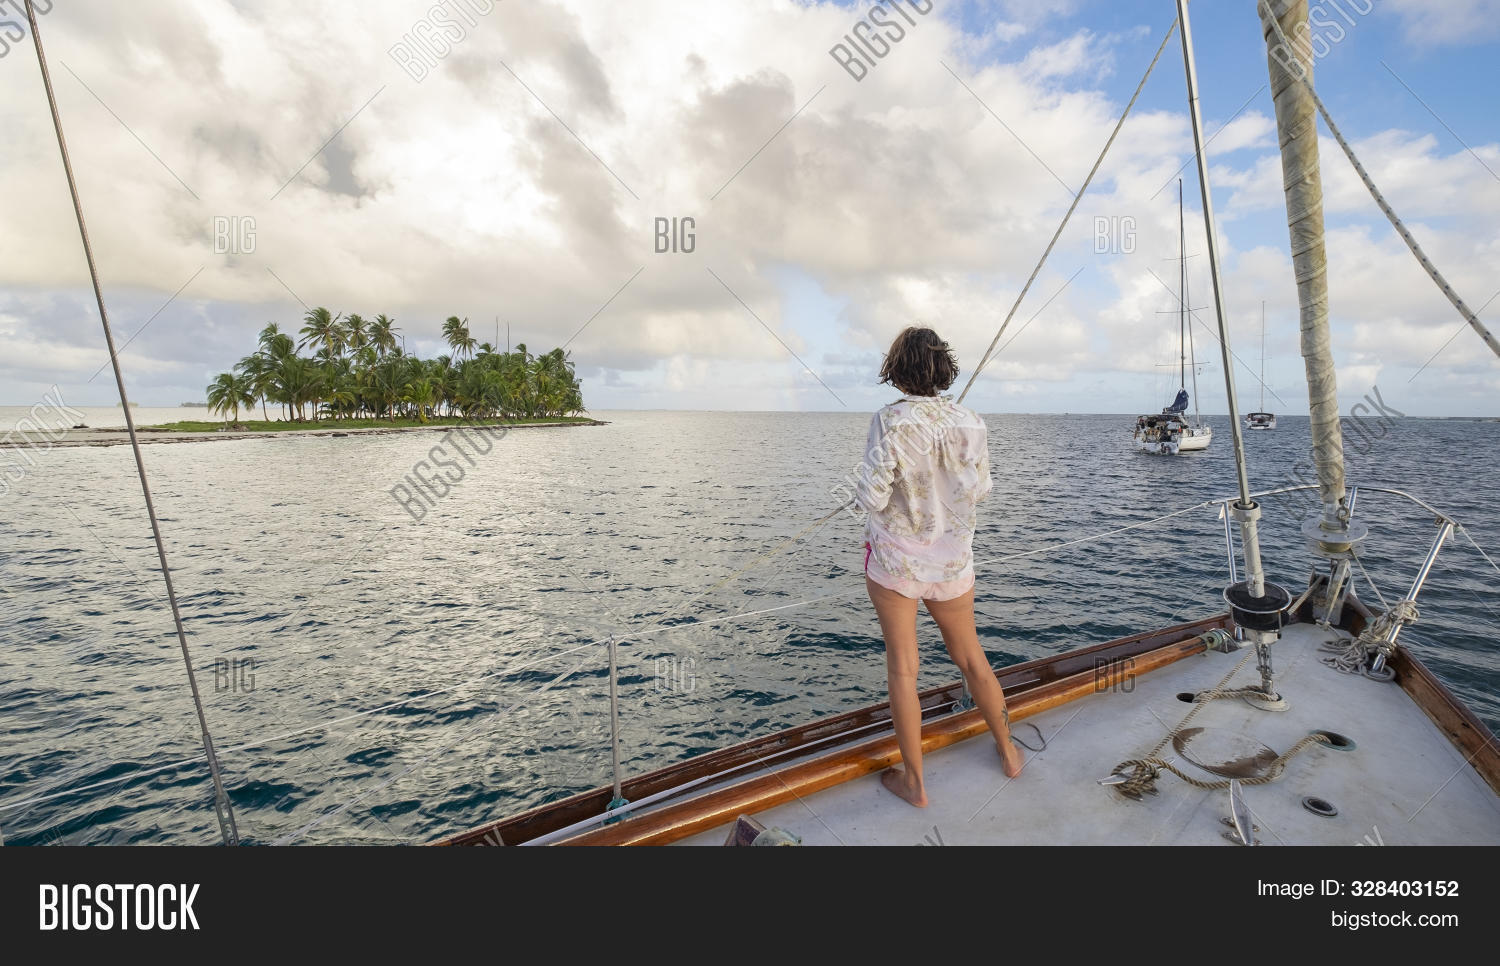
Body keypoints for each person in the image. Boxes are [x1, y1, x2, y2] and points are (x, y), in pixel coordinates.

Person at [853, 326, 1025, 809]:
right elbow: (982, 489)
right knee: (972, 658)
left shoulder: (890, 421)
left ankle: (916, 784)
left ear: (898, 369)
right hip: (953, 562)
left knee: (904, 670)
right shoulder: (972, 421)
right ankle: (1009, 752)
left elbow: (872, 496)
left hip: (896, 564)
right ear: (943, 368)